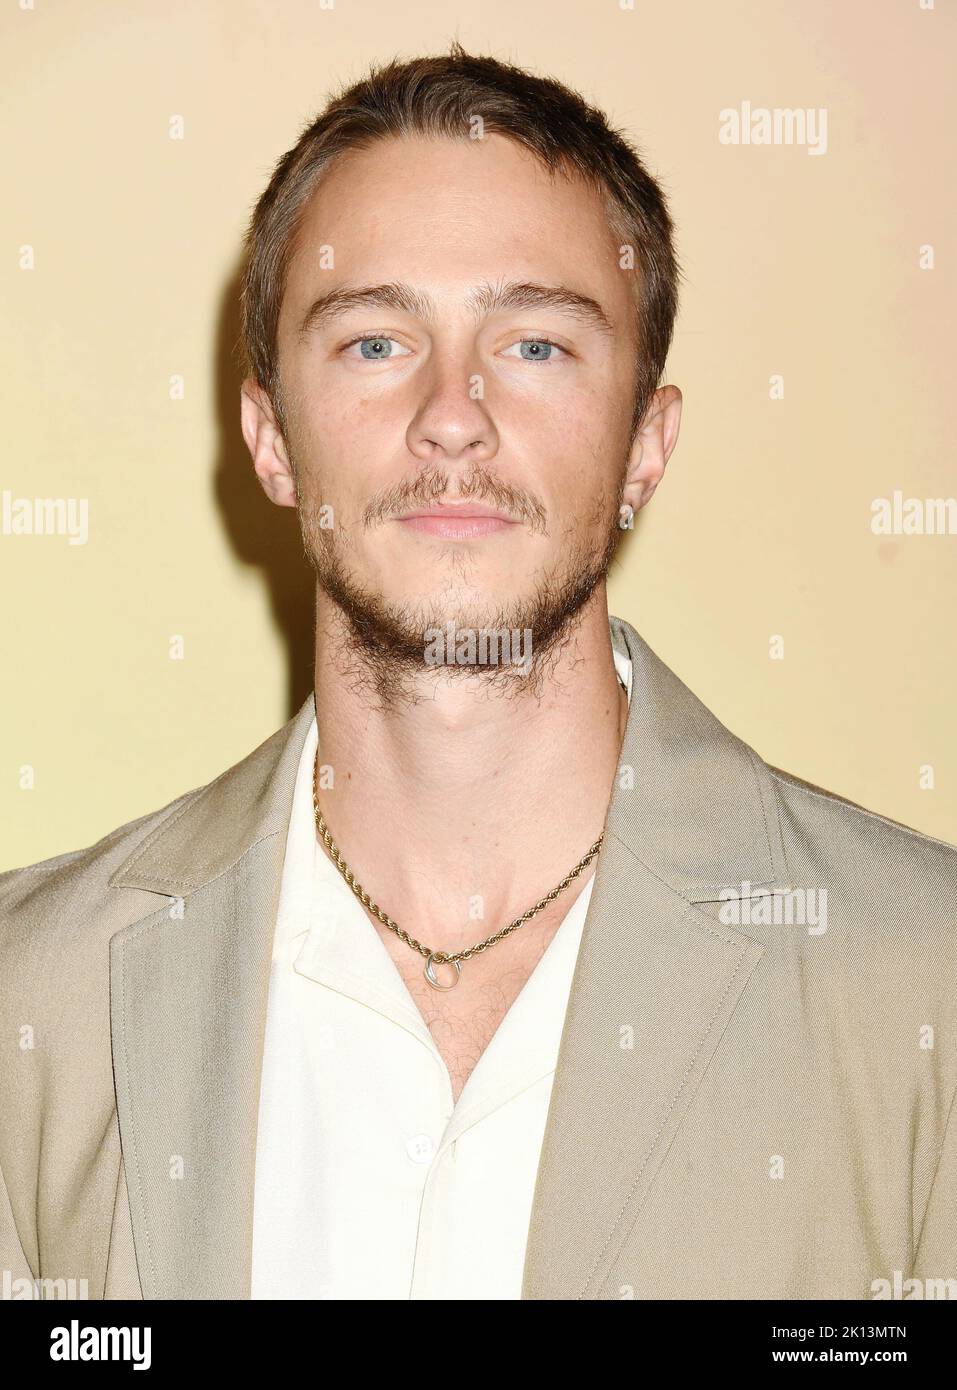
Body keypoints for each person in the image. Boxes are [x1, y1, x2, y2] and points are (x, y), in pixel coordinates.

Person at [1, 43, 954, 1303]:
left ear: (645, 447)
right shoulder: (33, 1002)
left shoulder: (920, 979)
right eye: (377, 342)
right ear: (271, 439)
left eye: (539, 345)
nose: (455, 414)